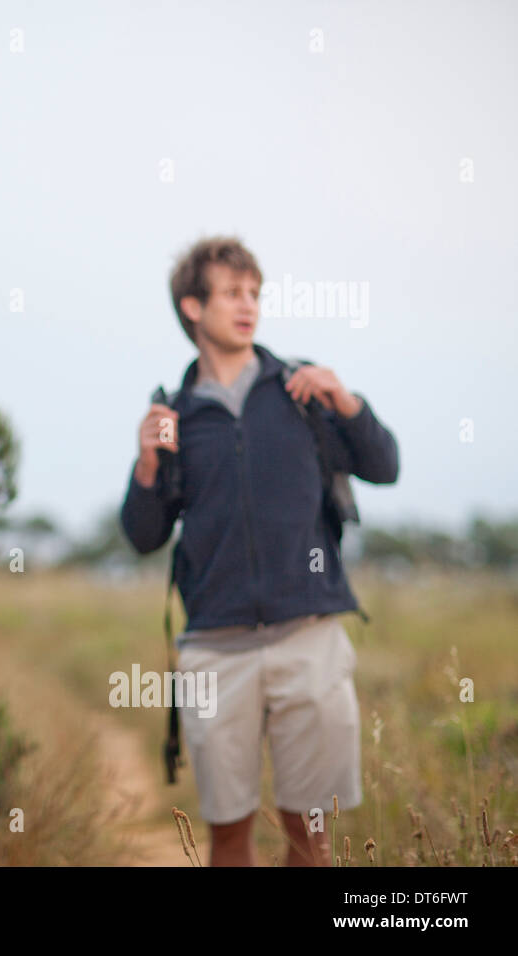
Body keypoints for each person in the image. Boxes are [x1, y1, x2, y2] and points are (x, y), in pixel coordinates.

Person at [120, 237, 398, 866]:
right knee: (228, 835)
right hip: (216, 647)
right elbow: (142, 535)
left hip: (310, 636)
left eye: (254, 293)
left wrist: (347, 401)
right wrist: (146, 463)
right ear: (193, 307)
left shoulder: (302, 392)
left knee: (311, 835)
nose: (248, 305)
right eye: (231, 293)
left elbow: (385, 465)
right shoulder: (175, 415)